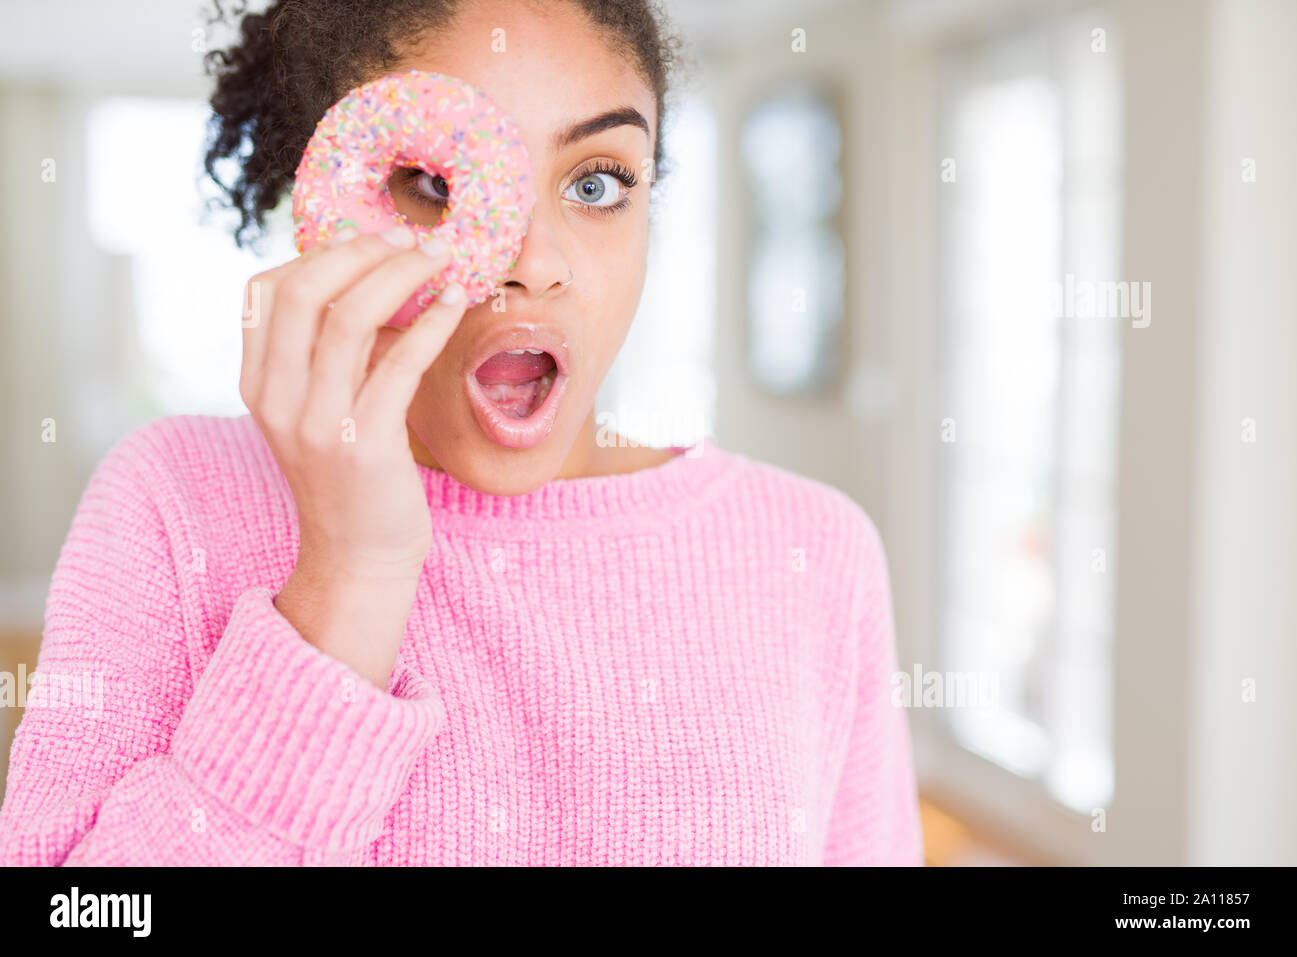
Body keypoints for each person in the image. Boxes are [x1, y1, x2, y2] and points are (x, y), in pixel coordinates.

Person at [0, 0, 923, 865]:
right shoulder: (174, 501)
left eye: (596, 182)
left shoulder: (813, 552)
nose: (530, 262)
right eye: (434, 184)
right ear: (324, 204)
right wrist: (345, 586)